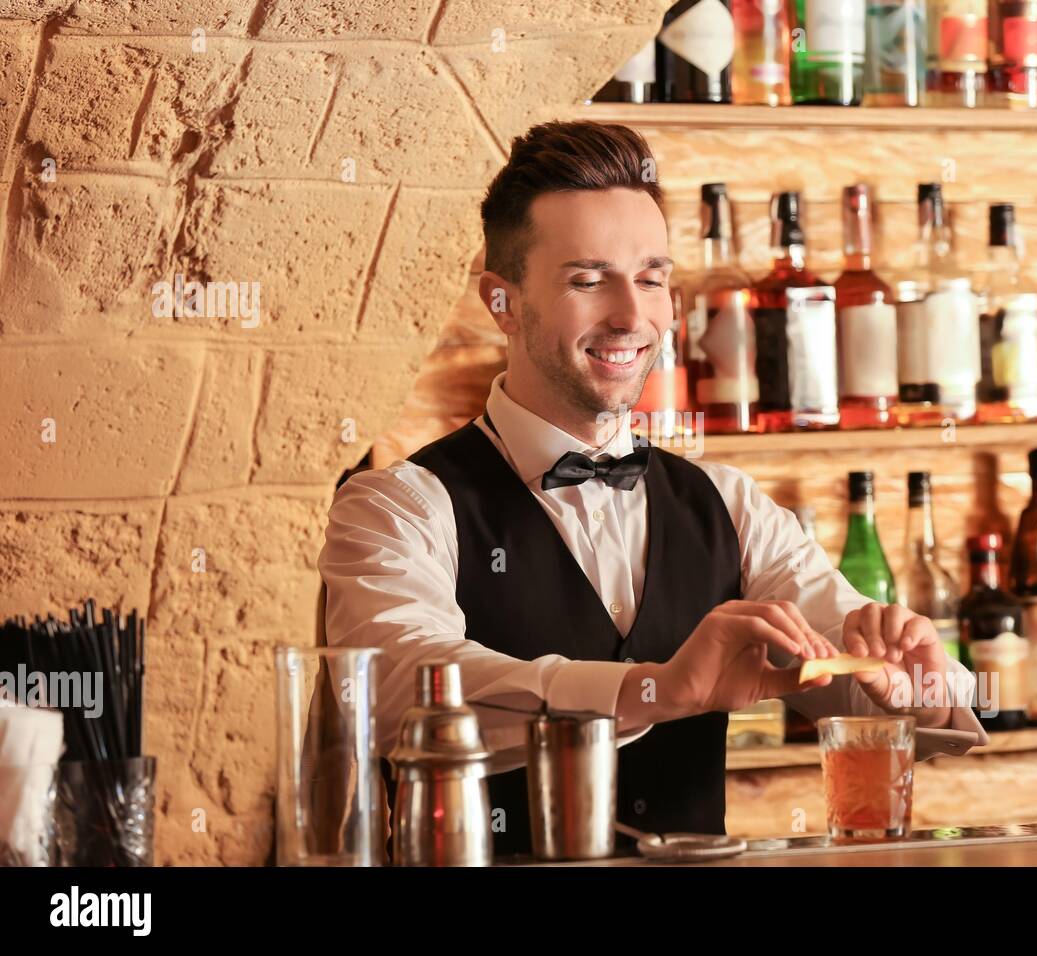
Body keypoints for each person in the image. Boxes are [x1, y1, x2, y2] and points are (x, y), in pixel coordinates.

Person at [317, 120, 988, 857]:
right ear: (501, 302)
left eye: (650, 278)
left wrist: (916, 680)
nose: (632, 317)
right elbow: (387, 692)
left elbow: (889, 703)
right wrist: (652, 689)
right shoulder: (401, 505)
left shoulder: (728, 506)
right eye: (587, 280)